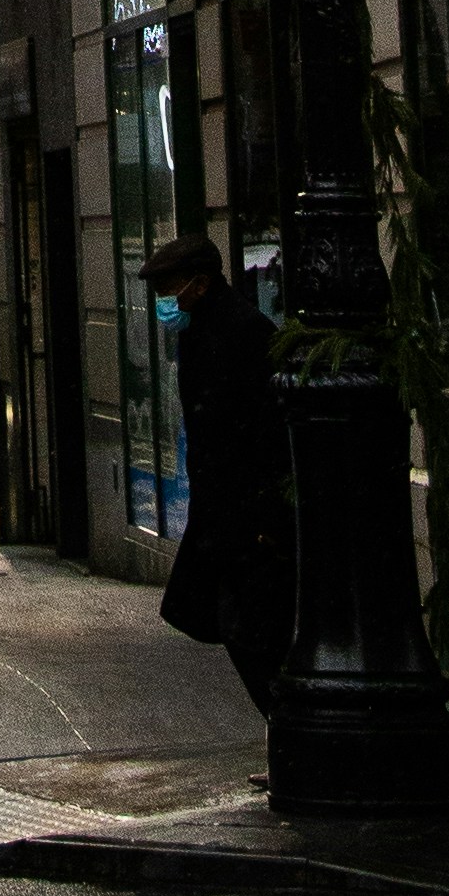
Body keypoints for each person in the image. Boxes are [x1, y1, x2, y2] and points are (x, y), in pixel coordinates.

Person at [149, 236, 295, 710]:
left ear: (200, 283)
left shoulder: (243, 331)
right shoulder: (200, 330)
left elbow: (266, 434)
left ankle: (289, 733)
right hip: (223, 508)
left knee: (248, 628)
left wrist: (268, 519)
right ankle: (285, 734)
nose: (164, 302)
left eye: (169, 288)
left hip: (247, 512)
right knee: (231, 621)